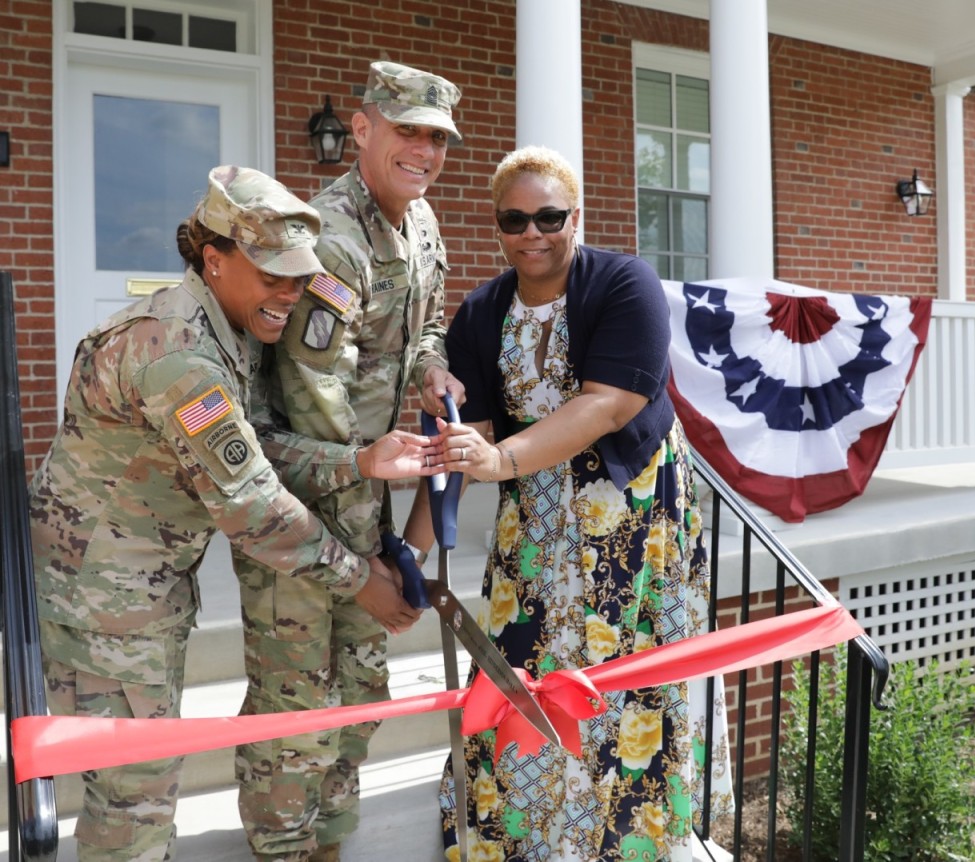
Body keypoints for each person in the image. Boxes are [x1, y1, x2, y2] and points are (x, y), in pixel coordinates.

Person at [27, 165, 443, 862]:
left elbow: (254, 447)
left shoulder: (228, 329)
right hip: (104, 590)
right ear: (213, 259)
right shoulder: (180, 355)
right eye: (271, 275)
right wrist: (360, 577)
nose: (291, 293)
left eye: (298, 276)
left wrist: (359, 462)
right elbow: (253, 508)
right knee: (135, 794)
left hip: (143, 577)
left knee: (143, 784)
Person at [432, 145, 732, 861]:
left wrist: (499, 457)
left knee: (623, 670)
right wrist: (453, 453)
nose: (531, 233)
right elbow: (472, 430)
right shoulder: (480, 310)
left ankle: (626, 834)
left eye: (548, 216)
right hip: (533, 517)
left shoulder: (626, 282)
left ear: (577, 216)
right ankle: (527, 830)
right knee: (521, 658)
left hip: (627, 513)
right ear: (497, 227)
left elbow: (608, 405)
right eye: (514, 219)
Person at [234, 60, 465, 861]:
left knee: (361, 689)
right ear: (362, 129)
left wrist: (433, 365)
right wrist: (374, 536)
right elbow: (311, 397)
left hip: (370, 488)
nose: (425, 151)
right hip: (305, 494)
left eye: (437, 138)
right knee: (293, 701)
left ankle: (328, 838)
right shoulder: (331, 240)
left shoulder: (423, 222)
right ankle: (282, 845)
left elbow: (429, 323)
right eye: (408, 132)